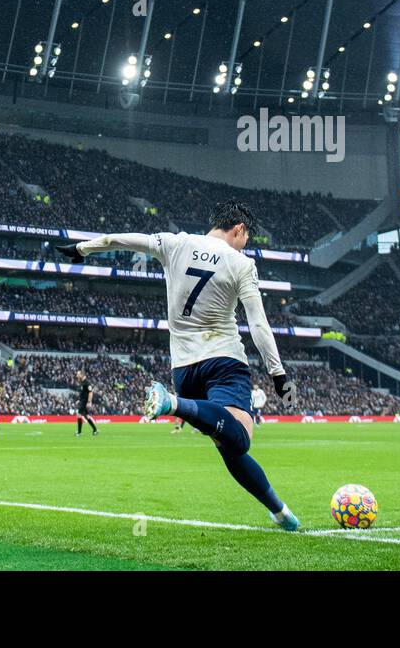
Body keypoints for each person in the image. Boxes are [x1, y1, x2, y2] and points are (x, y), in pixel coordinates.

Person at [60, 199, 300, 530]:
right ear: (239, 230)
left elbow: (122, 239)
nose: (246, 245)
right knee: (240, 439)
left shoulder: (175, 243)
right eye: (246, 239)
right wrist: (278, 374)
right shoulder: (241, 264)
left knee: (227, 445)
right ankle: (172, 404)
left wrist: (82, 249)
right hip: (224, 360)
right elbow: (258, 324)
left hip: (184, 369)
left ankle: (279, 512)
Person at [75, 370, 98, 437]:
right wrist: (79, 400)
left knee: (79, 414)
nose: (77, 376)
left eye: (78, 374)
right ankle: (95, 430)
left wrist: (89, 402)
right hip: (82, 401)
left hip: (85, 402)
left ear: (82, 375)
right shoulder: (82, 382)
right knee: (87, 416)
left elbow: (91, 392)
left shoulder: (87, 383)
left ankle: (79, 432)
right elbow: (83, 393)